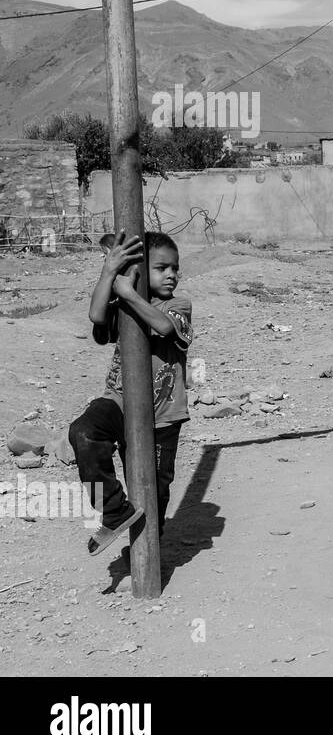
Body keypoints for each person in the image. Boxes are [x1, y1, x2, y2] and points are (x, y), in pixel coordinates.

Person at [69, 230, 193, 556]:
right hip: (120, 400)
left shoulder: (177, 304)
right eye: (162, 267)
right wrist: (110, 272)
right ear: (139, 269)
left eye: (175, 268)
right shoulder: (122, 303)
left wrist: (131, 295)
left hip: (162, 415)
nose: (171, 275)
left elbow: (164, 327)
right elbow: (97, 316)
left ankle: (145, 549)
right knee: (83, 433)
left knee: (155, 490)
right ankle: (113, 509)